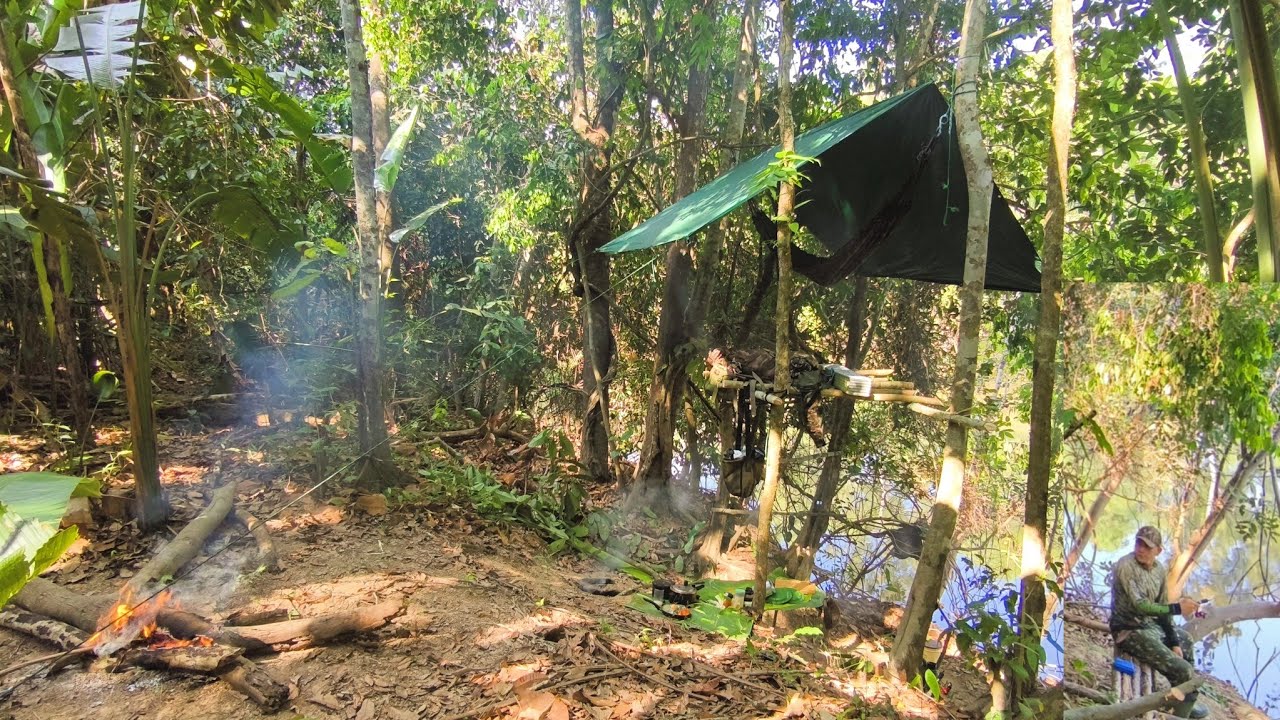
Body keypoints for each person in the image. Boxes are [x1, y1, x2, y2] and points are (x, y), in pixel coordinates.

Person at [1110, 525, 1205, 719]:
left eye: (1147, 546)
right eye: (1138, 543)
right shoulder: (1125, 565)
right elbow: (1141, 605)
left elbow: (1161, 608)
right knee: (1183, 669)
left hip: (1149, 626)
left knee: (1185, 639)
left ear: (1158, 551)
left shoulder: (1159, 570)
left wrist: (1174, 641)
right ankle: (1179, 714)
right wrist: (1178, 608)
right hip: (1128, 630)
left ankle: (1185, 701)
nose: (1140, 549)